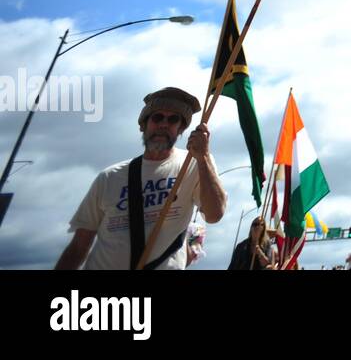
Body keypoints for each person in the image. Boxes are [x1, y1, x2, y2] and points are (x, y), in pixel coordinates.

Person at [56, 87, 226, 270]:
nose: (163, 124)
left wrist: (203, 158)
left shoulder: (194, 165)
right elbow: (79, 246)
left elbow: (214, 214)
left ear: (181, 128)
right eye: (157, 117)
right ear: (144, 124)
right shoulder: (109, 177)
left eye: (173, 119)